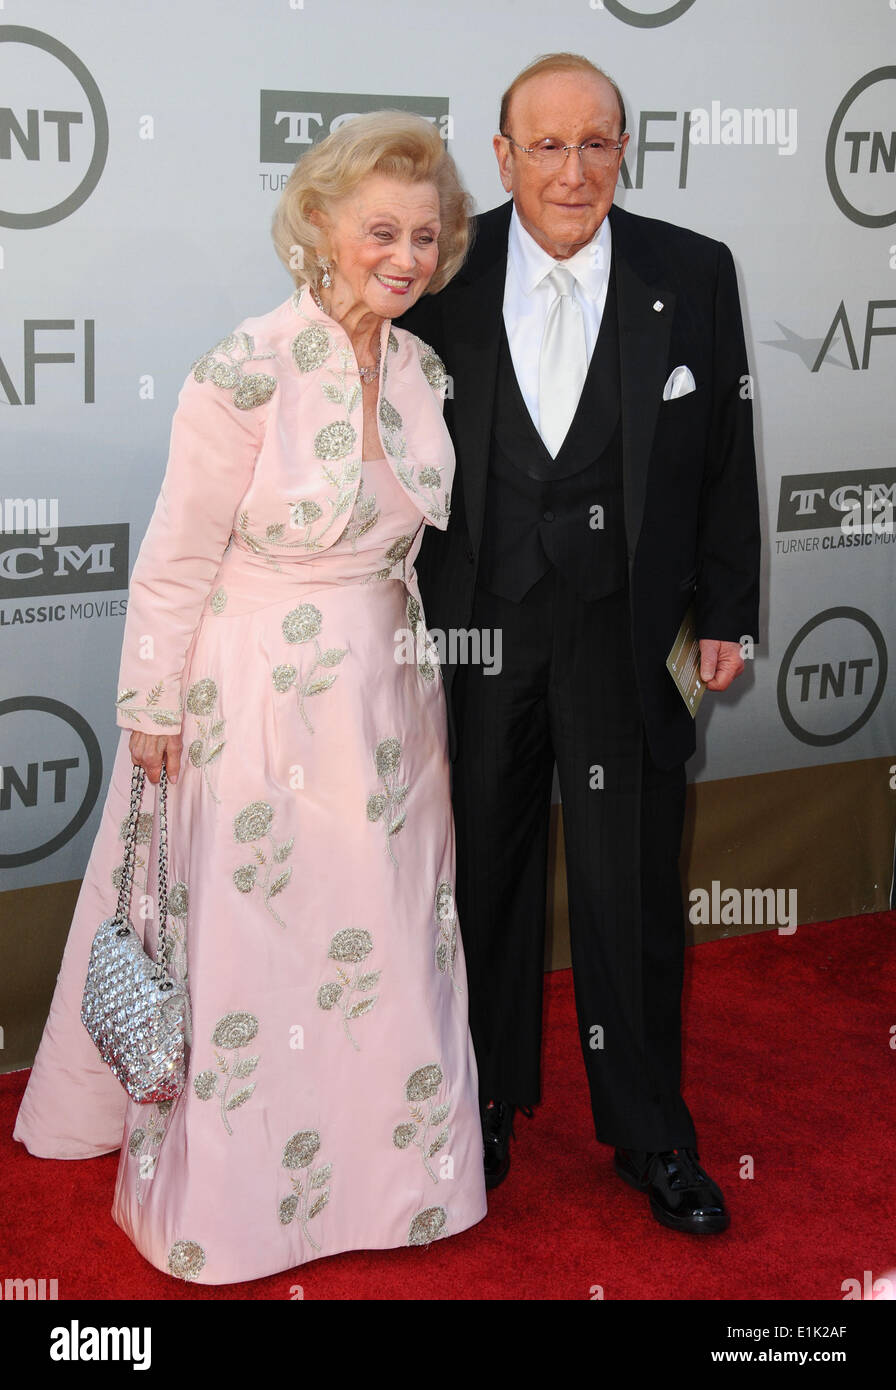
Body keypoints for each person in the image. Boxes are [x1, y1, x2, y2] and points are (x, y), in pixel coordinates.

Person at [13, 110, 488, 1283]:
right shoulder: (246, 362)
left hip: (385, 699)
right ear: (316, 226)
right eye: (380, 228)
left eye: (425, 234)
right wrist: (153, 707)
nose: (406, 254)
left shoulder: (425, 368)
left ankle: (391, 1188)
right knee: (256, 943)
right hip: (250, 693)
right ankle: (234, 1208)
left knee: (385, 933)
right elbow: (175, 555)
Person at [398, 53, 760, 1234]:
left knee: (632, 891)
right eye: (544, 146)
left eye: (594, 142)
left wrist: (727, 611)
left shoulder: (690, 271)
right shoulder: (441, 271)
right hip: (479, 627)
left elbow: (719, 457)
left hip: (624, 630)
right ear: (499, 159)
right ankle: (483, 1106)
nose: (571, 168)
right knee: (482, 880)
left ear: (623, 150)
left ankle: (650, 1129)